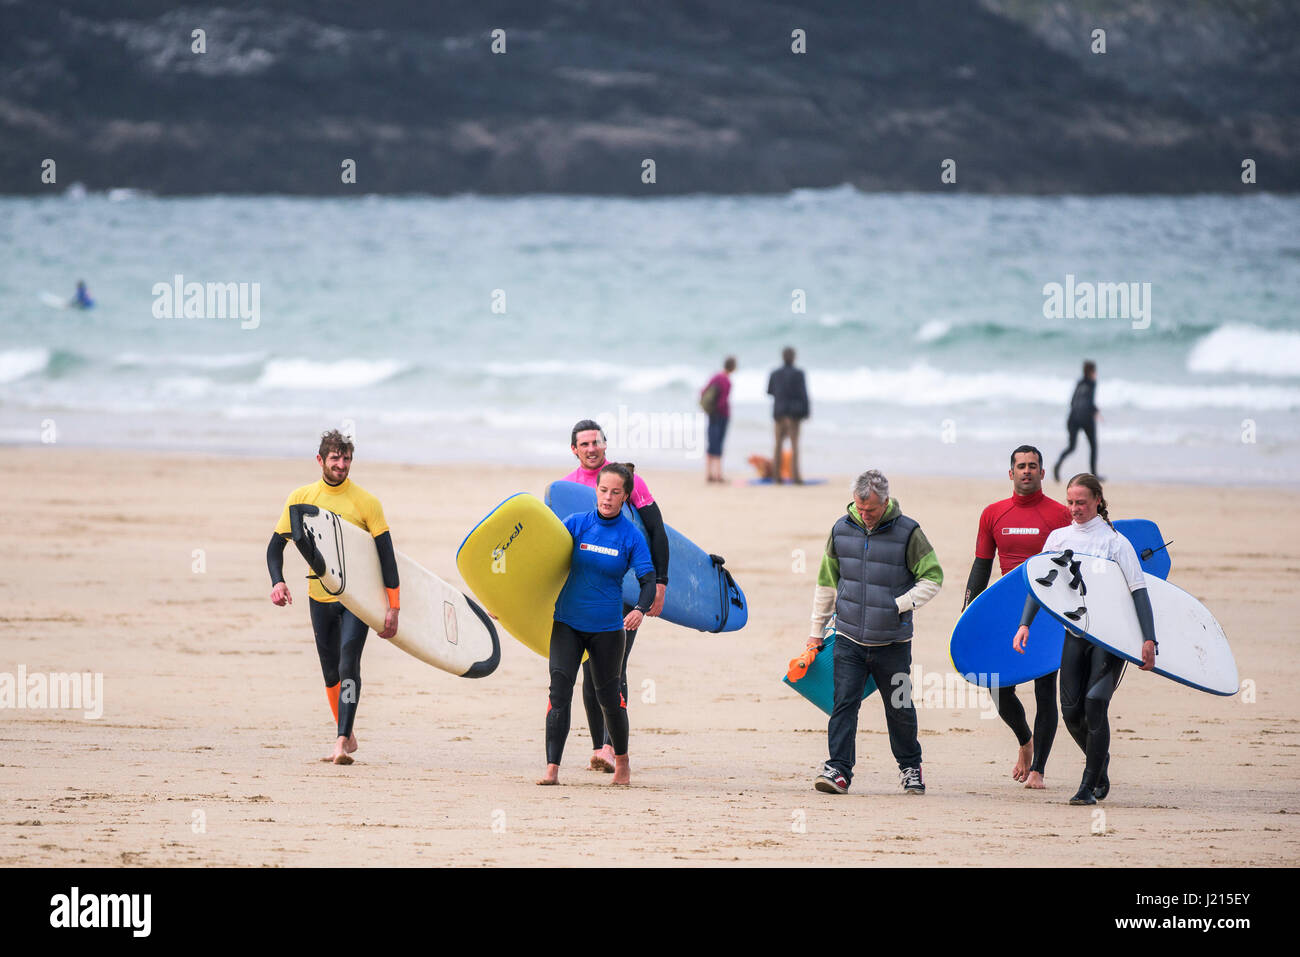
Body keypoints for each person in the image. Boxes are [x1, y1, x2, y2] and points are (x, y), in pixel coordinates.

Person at [1013, 473, 1157, 805]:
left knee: (1094, 704)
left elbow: (1139, 594)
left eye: (1081, 502)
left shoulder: (1116, 543)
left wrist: (1149, 640)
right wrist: (1025, 625)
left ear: (1098, 501)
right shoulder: (1058, 538)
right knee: (1071, 711)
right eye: (1070, 502)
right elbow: (1040, 585)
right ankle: (1100, 763)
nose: (1075, 508)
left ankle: (1087, 786)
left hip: (1111, 638)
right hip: (1075, 633)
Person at [266, 430, 399, 765]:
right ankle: (347, 729)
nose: (341, 465)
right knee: (330, 673)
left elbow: (387, 556)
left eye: (346, 458)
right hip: (318, 595)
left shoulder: (366, 503)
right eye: (335, 458)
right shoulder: (301, 498)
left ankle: (340, 741)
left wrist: (393, 607)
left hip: (357, 598)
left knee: (348, 663)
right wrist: (278, 582)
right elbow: (275, 547)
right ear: (320, 460)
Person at [808, 469, 943, 795]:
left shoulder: (909, 532)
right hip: (848, 638)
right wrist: (815, 633)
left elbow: (933, 578)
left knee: (900, 707)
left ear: (885, 502)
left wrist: (901, 604)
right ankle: (838, 770)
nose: (865, 515)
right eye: (860, 508)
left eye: (871, 510)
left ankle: (911, 768)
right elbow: (827, 584)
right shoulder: (841, 530)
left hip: (893, 642)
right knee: (843, 704)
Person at [539, 462, 656, 787]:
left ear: (625, 496)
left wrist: (641, 609)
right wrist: (506, 601)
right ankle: (552, 769)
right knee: (559, 691)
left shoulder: (631, 536)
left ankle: (622, 761)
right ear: (596, 491)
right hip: (567, 623)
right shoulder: (576, 525)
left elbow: (647, 580)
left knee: (609, 698)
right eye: (603, 490)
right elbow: (542, 562)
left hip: (607, 629)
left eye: (615, 492)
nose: (607, 497)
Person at [562, 420, 669, 772]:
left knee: (613, 668)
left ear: (605, 445)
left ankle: (612, 747)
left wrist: (659, 585)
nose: (592, 448)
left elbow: (656, 530)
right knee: (589, 671)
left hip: (626, 590)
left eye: (597, 442)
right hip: (584, 595)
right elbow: (555, 551)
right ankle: (601, 748)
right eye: (584, 444)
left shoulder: (629, 482)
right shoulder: (565, 489)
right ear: (574, 450)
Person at [963, 445, 1071, 789]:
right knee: (996, 684)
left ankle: (1038, 770)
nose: (1027, 471)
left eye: (1033, 466)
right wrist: (967, 614)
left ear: (1042, 473)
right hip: (1005, 611)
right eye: (1021, 466)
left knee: (1044, 690)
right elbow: (981, 568)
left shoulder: (1060, 515)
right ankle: (1026, 740)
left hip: (1048, 611)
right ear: (1011, 474)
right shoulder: (993, 513)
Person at [767, 347, 810, 484]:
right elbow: (804, 395)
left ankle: (776, 477)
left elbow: (769, 391)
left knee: (778, 445)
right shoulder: (799, 374)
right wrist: (806, 412)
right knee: (795, 446)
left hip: (779, 413)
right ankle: (795, 477)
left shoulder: (775, 373)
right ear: (794, 357)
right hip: (794, 414)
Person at [1053, 361, 1099, 481]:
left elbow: (1073, 401)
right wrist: (1095, 411)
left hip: (1072, 418)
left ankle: (1058, 464)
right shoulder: (1092, 383)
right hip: (1086, 419)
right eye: (1094, 371)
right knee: (1093, 446)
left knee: (1072, 447)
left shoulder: (1079, 383)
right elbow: (1089, 401)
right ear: (1091, 372)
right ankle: (1094, 475)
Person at [700, 357, 736, 483]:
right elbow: (723, 402)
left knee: (711, 444)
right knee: (719, 445)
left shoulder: (715, 377)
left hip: (711, 415)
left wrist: (710, 409)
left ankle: (709, 474)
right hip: (721, 416)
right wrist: (721, 411)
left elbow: (703, 391)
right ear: (733, 367)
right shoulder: (727, 381)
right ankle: (718, 474)